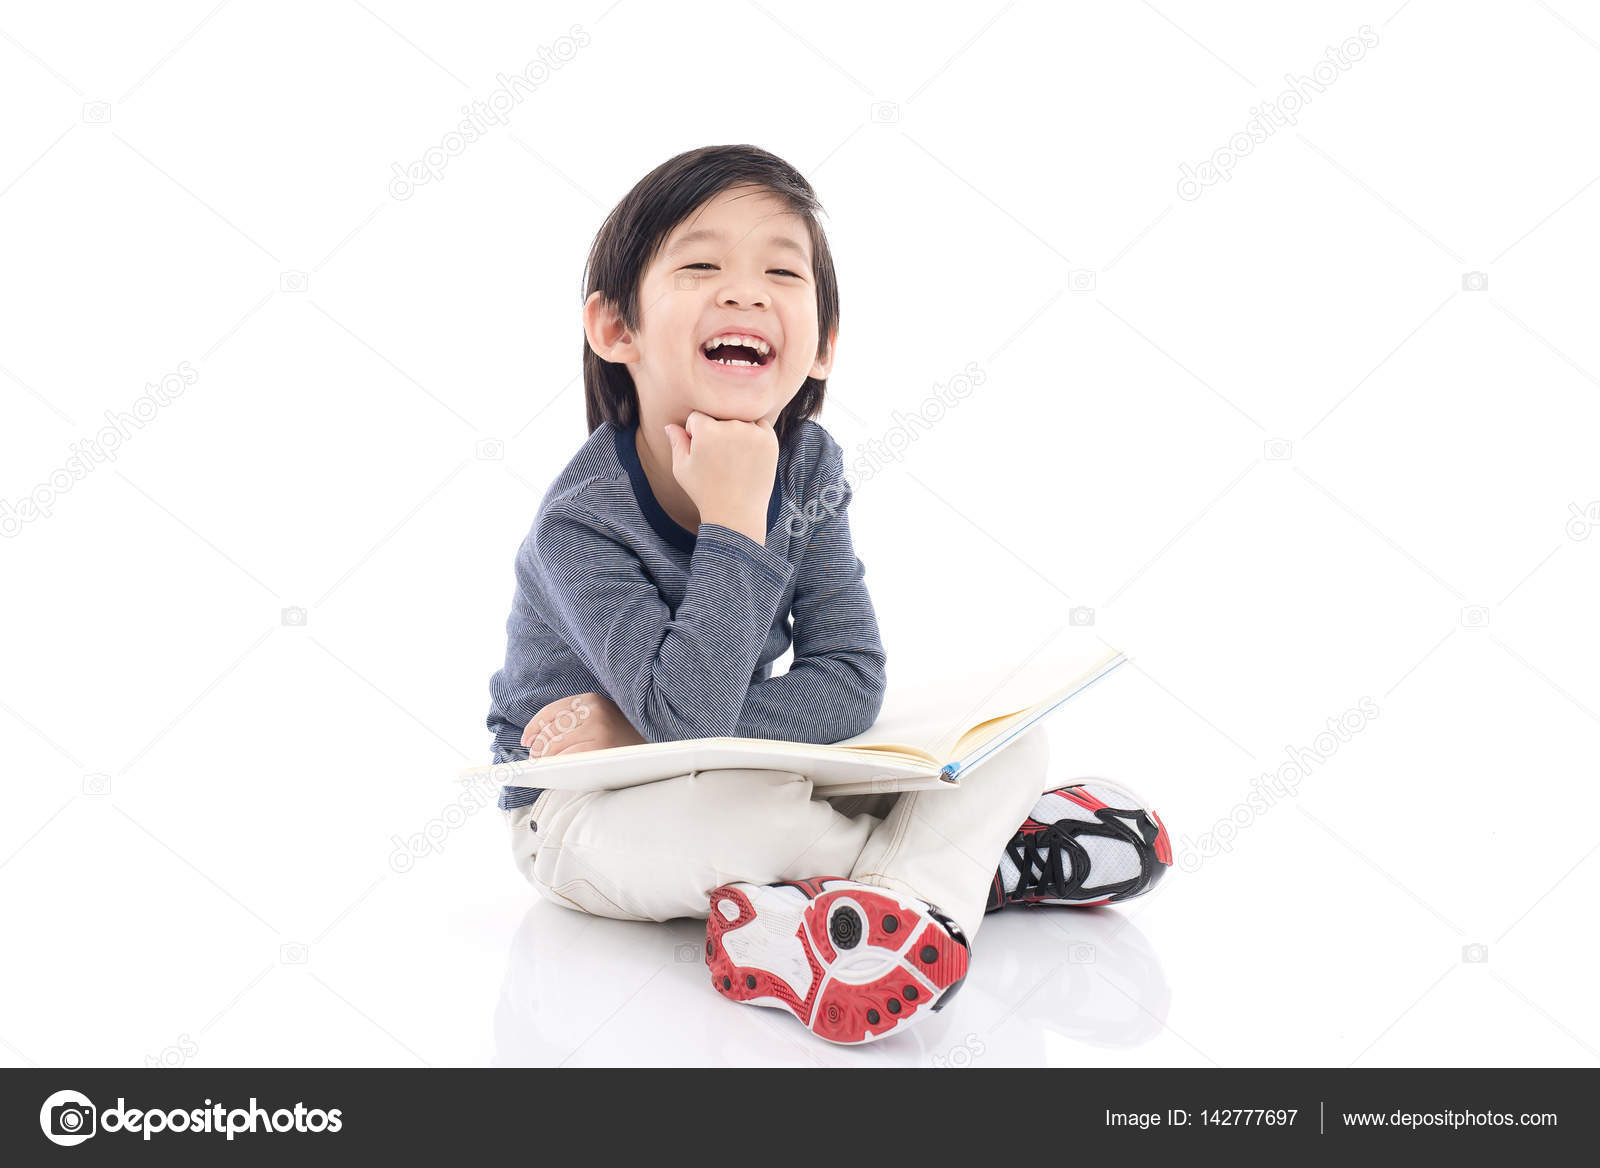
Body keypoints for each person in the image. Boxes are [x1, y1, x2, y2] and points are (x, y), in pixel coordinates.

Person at [486, 144, 1171, 1046]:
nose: (746, 292)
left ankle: (862, 917)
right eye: (700, 266)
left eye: (781, 270)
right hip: (587, 811)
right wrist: (733, 518)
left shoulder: (809, 466)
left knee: (1009, 740)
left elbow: (849, 677)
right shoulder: (581, 524)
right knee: (730, 824)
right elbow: (688, 719)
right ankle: (966, 874)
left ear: (823, 348)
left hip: (739, 752)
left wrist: (642, 721)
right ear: (617, 330)